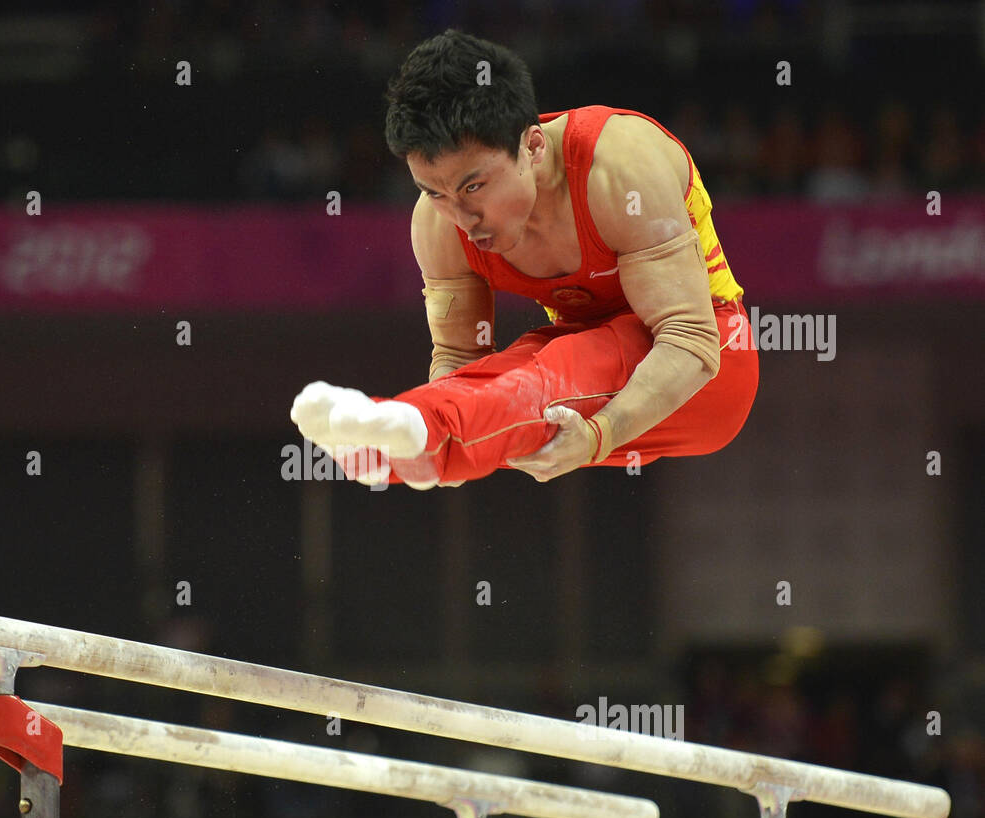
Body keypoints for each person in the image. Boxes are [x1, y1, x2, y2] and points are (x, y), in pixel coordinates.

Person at [290, 30, 758, 489]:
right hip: (575, 365)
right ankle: (406, 449)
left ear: (532, 147)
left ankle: (426, 436)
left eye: (474, 186)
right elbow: (459, 359)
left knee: (555, 370)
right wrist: (457, 449)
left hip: (709, 365)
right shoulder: (436, 225)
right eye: (435, 191)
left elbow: (690, 340)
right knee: (519, 375)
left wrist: (601, 435)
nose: (462, 215)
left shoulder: (619, 167)